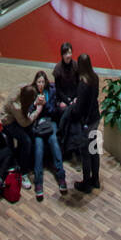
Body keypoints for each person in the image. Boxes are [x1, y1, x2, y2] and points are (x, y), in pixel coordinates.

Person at [28, 70, 68, 201]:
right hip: (38, 125)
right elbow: (28, 112)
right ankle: (38, 183)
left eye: (42, 82)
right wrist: (35, 104)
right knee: (38, 149)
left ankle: (61, 177)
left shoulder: (51, 91)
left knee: (54, 143)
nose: (40, 84)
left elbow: (54, 111)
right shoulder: (31, 93)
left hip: (49, 122)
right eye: (38, 82)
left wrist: (45, 105)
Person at [68, 54, 101, 194]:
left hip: (86, 123)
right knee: (94, 150)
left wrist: (73, 105)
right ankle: (96, 180)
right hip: (96, 118)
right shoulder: (95, 78)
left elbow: (79, 109)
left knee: (85, 153)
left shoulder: (83, 84)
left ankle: (86, 183)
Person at [1, 83, 38, 189]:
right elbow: (24, 123)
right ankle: (24, 172)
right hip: (8, 122)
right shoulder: (16, 105)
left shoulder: (22, 88)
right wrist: (36, 112)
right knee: (26, 141)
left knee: (31, 133)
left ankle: (29, 161)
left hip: (17, 117)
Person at [53, 42, 79, 152]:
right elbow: (58, 90)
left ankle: (66, 143)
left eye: (69, 52)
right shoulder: (58, 69)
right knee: (67, 112)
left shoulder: (76, 66)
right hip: (63, 100)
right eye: (66, 53)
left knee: (72, 116)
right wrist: (68, 101)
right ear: (62, 55)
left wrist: (75, 98)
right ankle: (69, 147)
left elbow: (79, 85)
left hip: (74, 99)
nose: (68, 55)